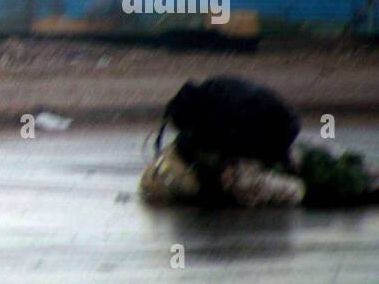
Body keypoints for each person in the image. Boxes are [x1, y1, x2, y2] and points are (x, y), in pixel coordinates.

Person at [141, 76, 377, 208]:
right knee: (316, 163)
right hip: (281, 128)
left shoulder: (214, 116)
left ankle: (351, 188)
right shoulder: (215, 91)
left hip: (275, 133)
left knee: (304, 180)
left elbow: (226, 144)